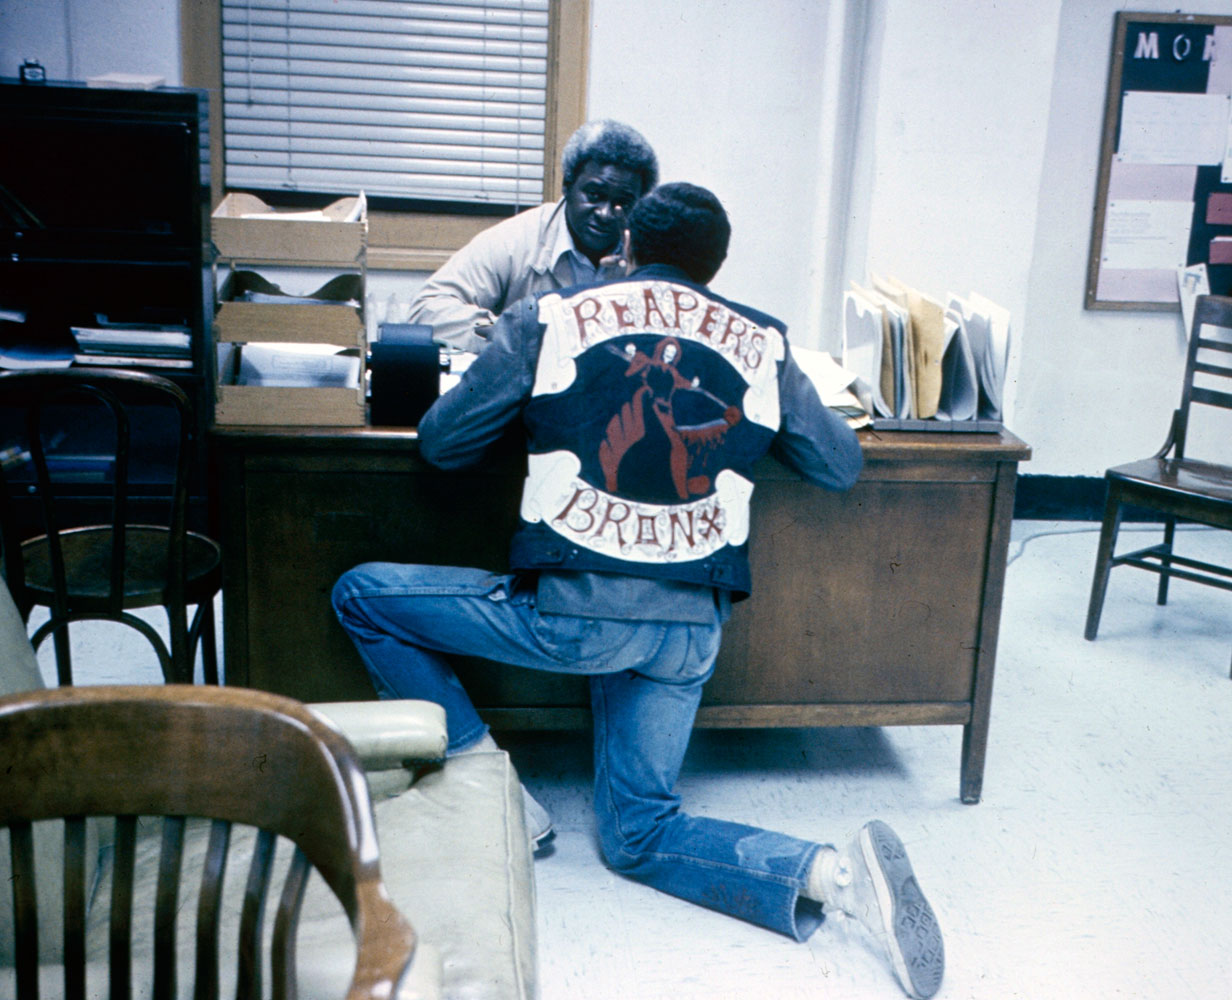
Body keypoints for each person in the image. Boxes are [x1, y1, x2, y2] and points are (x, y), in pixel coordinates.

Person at [332, 183, 944, 999]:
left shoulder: (547, 317)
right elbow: (840, 465)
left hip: (575, 620)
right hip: (688, 633)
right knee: (639, 836)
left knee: (363, 595)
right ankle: (832, 877)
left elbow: (443, 445)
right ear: (716, 267)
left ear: (624, 247)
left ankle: (501, 790)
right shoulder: (762, 338)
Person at [407, 119, 658, 352]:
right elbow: (427, 309)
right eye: (594, 195)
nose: (605, 213)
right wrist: (516, 335)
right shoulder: (518, 238)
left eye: (623, 203)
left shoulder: (649, 251)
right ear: (567, 185)